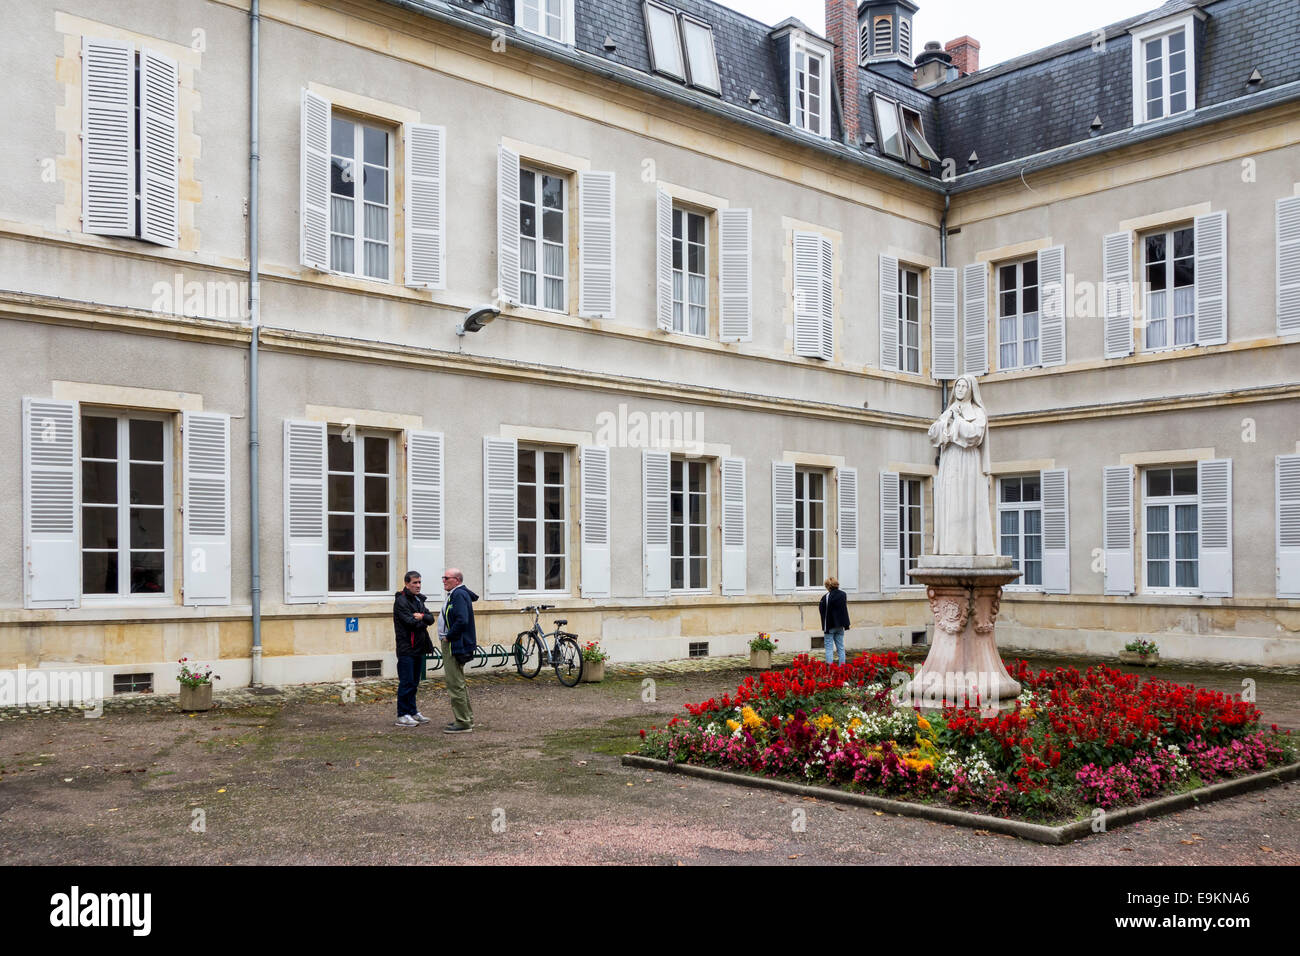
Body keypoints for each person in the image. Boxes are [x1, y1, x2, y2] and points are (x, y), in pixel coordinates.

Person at [928, 373, 996, 555]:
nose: (959, 389)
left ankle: (968, 546)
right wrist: (947, 422)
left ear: (971, 390)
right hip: (950, 460)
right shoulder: (948, 410)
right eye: (957, 386)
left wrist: (958, 421)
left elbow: (974, 435)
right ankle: (950, 546)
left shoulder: (978, 412)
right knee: (951, 500)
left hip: (968, 461)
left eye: (964, 386)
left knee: (967, 499)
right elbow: (933, 434)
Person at [437, 567, 478, 734]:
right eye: (443, 577)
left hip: (454, 644)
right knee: (458, 682)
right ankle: (467, 718)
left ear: (457, 580)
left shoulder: (459, 595)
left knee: (455, 683)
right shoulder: (456, 594)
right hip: (455, 643)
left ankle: (463, 722)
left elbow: (462, 620)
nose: (444, 580)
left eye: (447, 578)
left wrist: (449, 636)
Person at [392, 570, 434, 727]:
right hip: (406, 648)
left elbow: (431, 619)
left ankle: (412, 711)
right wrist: (421, 620)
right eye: (414, 583)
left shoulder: (418, 600)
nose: (418, 585)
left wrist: (422, 617)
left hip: (419, 647)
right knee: (406, 682)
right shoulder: (401, 601)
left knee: (414, 682)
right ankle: (402, 715)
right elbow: (410, 622)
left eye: (419, 582)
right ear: (406, 584)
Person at [818, 576, 850, 666]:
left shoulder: (826, 597)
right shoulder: (843, 594)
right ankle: (841, 669)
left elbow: (823, 612)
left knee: (829, 649)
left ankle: (830, 670)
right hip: (840, 625)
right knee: (841, 648)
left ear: (828, 586)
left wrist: (825, 627)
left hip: (829, 626)